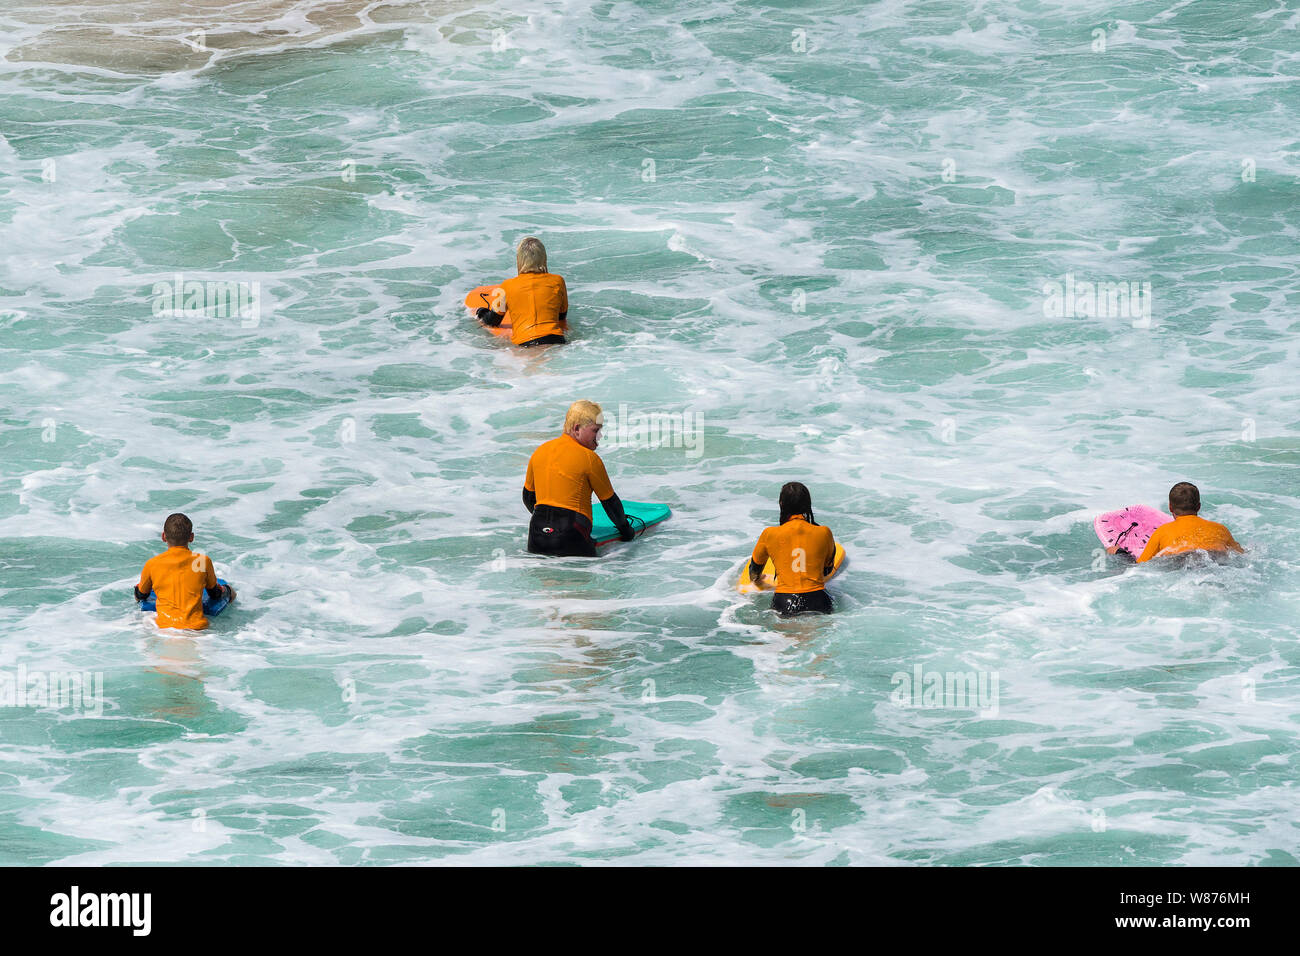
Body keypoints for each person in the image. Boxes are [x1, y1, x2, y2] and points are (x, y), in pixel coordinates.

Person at [523, 400, 635, 556]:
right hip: (572, 534)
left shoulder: (540, 451)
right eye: (595, 431)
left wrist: (550, 527)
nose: (599, 436)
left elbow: (528, 497)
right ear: (576, 428)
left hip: (537, 535)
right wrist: (626, 531)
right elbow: (610, 503)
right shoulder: (590, 458)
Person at [747, 482, 837, 616]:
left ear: (781, 504)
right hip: (819, 601)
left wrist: (758, 580)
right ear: (807, 505)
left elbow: (754, 571)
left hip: (783, 602)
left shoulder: (769, 534)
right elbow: (827, 570)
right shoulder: (824, 532)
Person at [134, 513, 235, 629]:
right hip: (197, 629)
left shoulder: (152, 564)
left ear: (163, 536)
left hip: (164, 629)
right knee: (230, 591)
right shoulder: (202, 561)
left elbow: (141, 595)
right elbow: (215, 594)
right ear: (191, 537)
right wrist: (227, 590)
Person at [476, 236, 568, 346]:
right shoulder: (558, 281)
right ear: (544, 258)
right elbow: (561, 316)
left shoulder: (506, 286)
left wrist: (481, 312)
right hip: (557, 340)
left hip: (526, 344)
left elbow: (492, 321)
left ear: (519, 259)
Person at [1125, 482, 1245, 562]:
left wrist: (1119, 554)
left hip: (1180, 562)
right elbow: (1241, 554)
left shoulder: (1162, 531)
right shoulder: (1220, 529)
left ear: (1170, 508)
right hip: (1215, 561)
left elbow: (1141, 565)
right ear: (1198, 507)